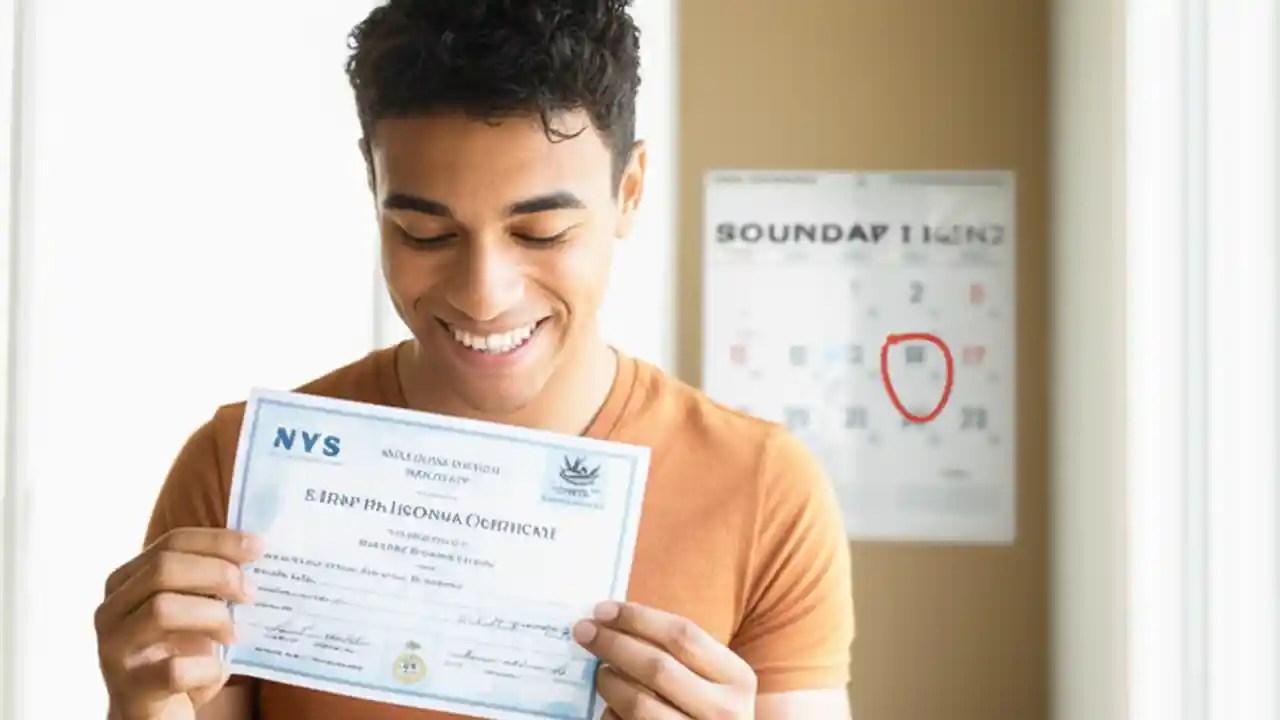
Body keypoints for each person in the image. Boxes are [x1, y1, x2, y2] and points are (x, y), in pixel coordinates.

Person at [93, 1, 855, 718]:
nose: (484, 296)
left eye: (543, 231)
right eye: (427, 235)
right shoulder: (237, 470)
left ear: (629, 192)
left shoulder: (762, 491)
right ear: (374, 188)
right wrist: (142, 707)